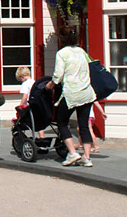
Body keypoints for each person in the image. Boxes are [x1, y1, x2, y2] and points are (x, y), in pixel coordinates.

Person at [45, 27, 96, 167]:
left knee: (61, 122)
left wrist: (50, 85)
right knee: (84, 124)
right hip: (86, 92)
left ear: (62, 39)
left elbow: (58, 75)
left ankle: (73, 153)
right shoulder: (81, 51)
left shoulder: (62, 53)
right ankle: (87, 157)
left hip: (71, 93)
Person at [16, 65, 44, 140]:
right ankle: (42, 137)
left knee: (22, 121)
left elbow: (25, 96)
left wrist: (20, 106)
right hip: (37, 106)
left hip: (28, 107)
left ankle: (21, 138)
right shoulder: (35, 82)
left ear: (22, 77)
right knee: (39, 123)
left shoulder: (25, 84)